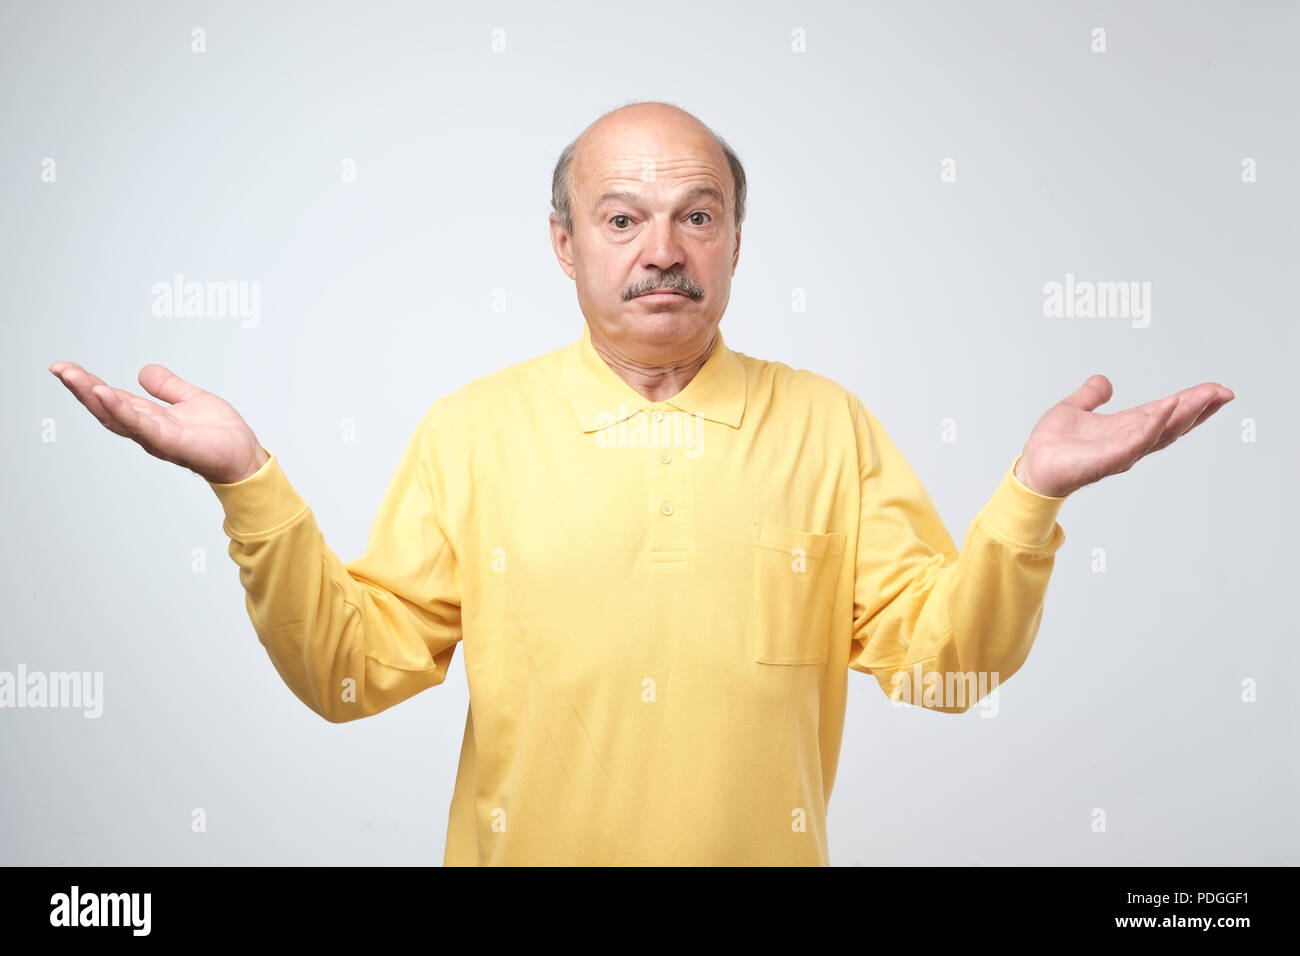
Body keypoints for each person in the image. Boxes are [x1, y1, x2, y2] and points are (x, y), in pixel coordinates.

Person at [48, 100, 1233, 866]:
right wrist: (249, 485)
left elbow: (939, 665)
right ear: (563, 243)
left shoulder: (827, 426)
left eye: (695, 216)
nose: (662, 250)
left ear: (734, 240)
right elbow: (351, 672)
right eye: (621, 219)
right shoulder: (472, 430)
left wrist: (1029, 497)